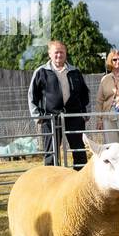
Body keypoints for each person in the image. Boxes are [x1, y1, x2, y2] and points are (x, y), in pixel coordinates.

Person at [28, 40, 91, 168]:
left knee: (79, 149)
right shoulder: (41, 72)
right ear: (50, 54)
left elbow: (85, 94)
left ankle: (79, 179)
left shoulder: (75, 72)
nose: (59, 55)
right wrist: (38, 116)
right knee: (51, 152)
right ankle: (52, 181)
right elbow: (32, 95)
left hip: (73, 117)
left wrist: (85, 113)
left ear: (66, 54)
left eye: (62, 52)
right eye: (56, 52)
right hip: (51, 118)